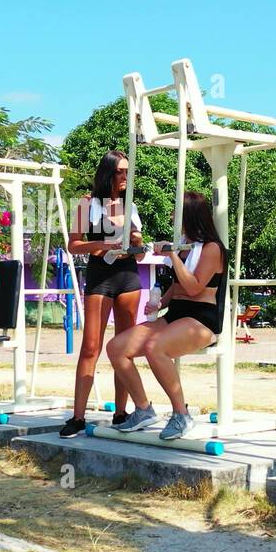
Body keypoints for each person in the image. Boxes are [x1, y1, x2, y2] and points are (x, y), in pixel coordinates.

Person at [106, 191, 227, 441]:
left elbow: (194, 287)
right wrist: (161, 302)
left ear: (190, 215)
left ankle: (181, 414)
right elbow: (177, 285)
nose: (172, 216)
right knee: (116, 347)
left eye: (177, 213)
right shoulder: (184, 245)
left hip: (201, 320)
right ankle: (143, 409)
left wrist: (171, 254)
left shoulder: (212, 248)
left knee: (154, 348)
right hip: (176, 314)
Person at [58, 151, 144, 438]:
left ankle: (121, 414)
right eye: (121, 171)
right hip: (100, 277)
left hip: (129, 276)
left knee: (124, 348)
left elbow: (141, 257)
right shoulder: (87, 204)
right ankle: (78, 418)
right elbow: (73, 245)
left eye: (128, 172)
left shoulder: (130, 206)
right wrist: (102, 244)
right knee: (91, 347)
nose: (125, 177)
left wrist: (138, 242)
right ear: (108, 173)